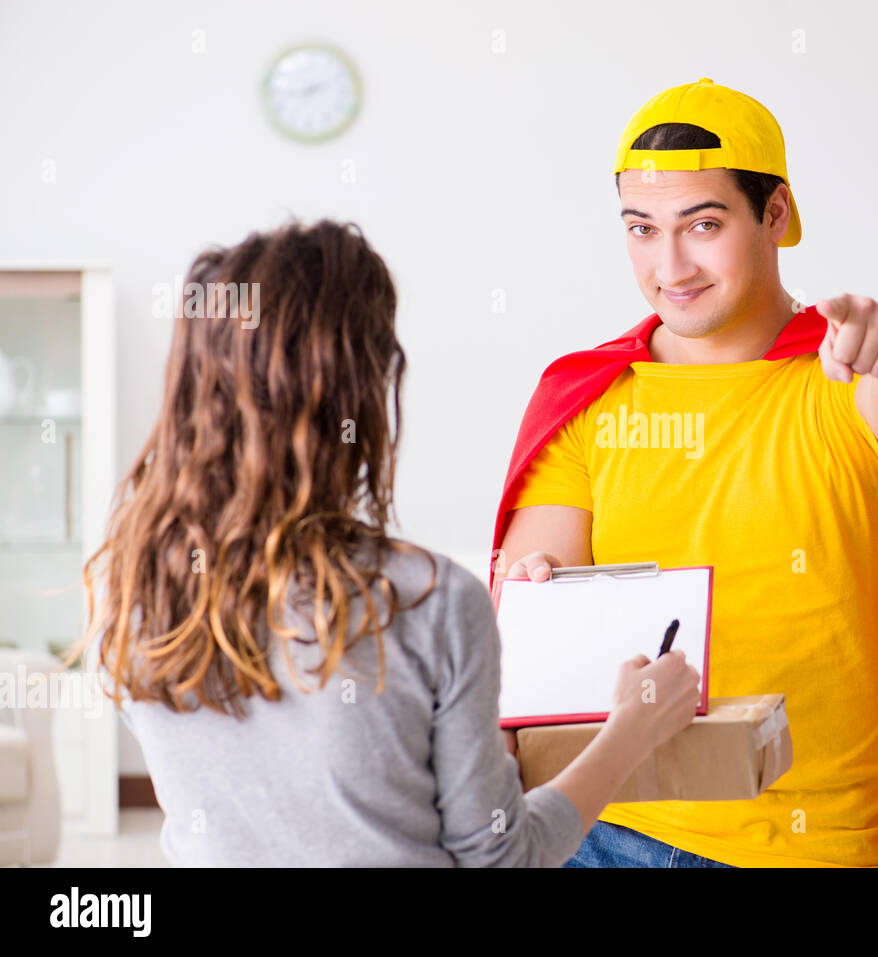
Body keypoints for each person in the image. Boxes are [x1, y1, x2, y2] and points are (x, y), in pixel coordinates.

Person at [71, 219, 701, 867]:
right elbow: (501, 856)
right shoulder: (429, 601)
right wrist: (631, 730)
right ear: (364, 389)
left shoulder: (125, 590)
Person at [492, 78, 878, 867]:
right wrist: (537, 592)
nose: (671, 264)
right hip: (609, 831)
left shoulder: (857, 379)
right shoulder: (588, 396)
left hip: (815, 846)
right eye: (642, 229)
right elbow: (536, 586)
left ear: (777, 214)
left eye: (702, 224)